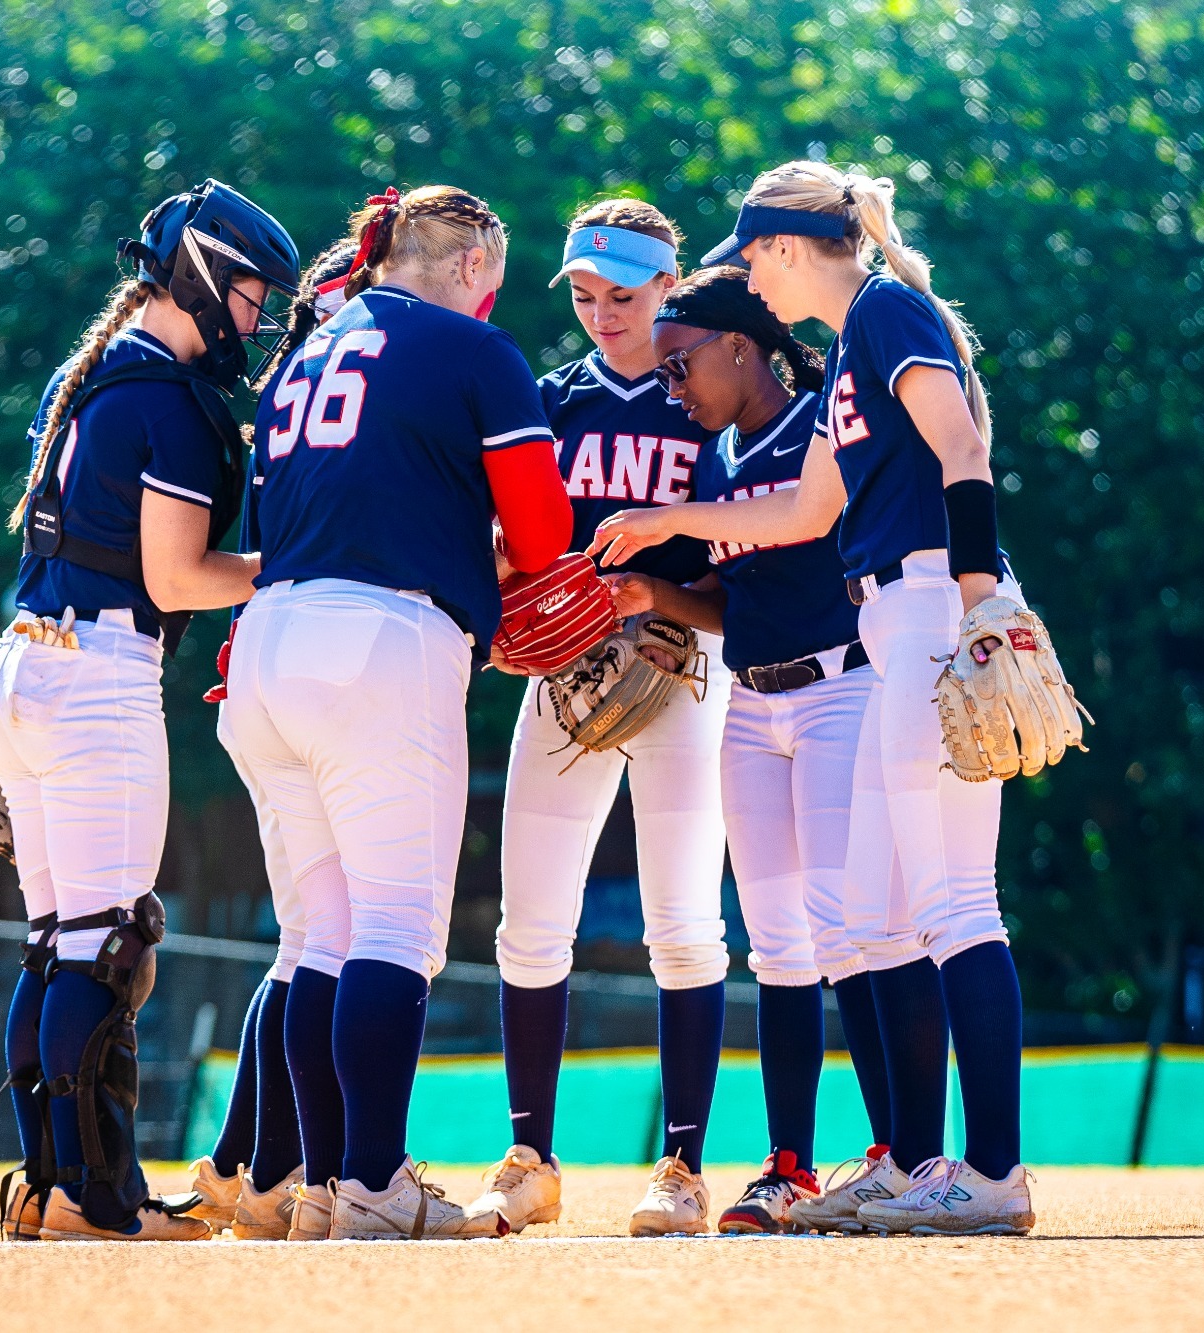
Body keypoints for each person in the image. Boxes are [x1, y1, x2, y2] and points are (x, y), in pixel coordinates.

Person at [593, 161, 1037, 1236]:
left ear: (788, 245)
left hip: (932, 607)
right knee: (875, 920)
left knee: (951, 905)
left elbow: (961, 445)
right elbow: (799, 510)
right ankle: (915, 1161)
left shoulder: (886, 311)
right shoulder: (852, 348)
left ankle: (991, 1174)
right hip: (892, 626)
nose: (747, 275)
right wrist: (668, 528)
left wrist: (979, 601)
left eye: (749, 254)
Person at [225, 185, 574, 1240]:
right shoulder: (473, 349)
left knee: (316, 935)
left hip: (268, 643)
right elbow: (545, 529)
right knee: (391, 931)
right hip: (381, 641)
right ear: (473, 266)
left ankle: (324, 1184)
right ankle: (377, 1183)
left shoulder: (303, 350)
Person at [0, 180, 300, 1243]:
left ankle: (43, 1180)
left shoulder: (91, 380)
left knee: (52, 944)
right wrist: (296, 564)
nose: (254, 319)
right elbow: (175, 577)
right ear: (204, 278)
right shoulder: (168, 399)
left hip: (21, 664)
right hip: (97, 673)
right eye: (250, 295)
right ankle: (95, 1196)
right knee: (105, 947)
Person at [583, 266, 897, 1234]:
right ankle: (789, 1165)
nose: (669, 381)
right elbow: (730, 606)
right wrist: (654, 598)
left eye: (680, 361)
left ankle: (895, 1156)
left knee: (851, 929)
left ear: (737, 344)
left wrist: (670, 526)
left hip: (844, 686)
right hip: (753, 707)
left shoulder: (818, 422)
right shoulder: (714, 457)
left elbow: (814, 531)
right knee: (778, 948)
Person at [472, 200, 734, 1240]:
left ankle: (680, 1163)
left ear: (669, 287)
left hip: (685, 669)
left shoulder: (703, 398)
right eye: (581, 294)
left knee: (681, 919)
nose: (599, 314)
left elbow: (737, 546)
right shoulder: (548, 399)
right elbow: (507, 540)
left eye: (620, 295)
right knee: (529, 920)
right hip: (565, 674)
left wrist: (666, 609)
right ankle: (530, 1152)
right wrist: (499, 612)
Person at [188, 238, 360, 1240]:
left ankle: (238, 1165)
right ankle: (293, 1170)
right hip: (313, 675)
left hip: (263, 672)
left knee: (305, 943)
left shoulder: (291, 392)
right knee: (334, 940)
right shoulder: (347, 397)